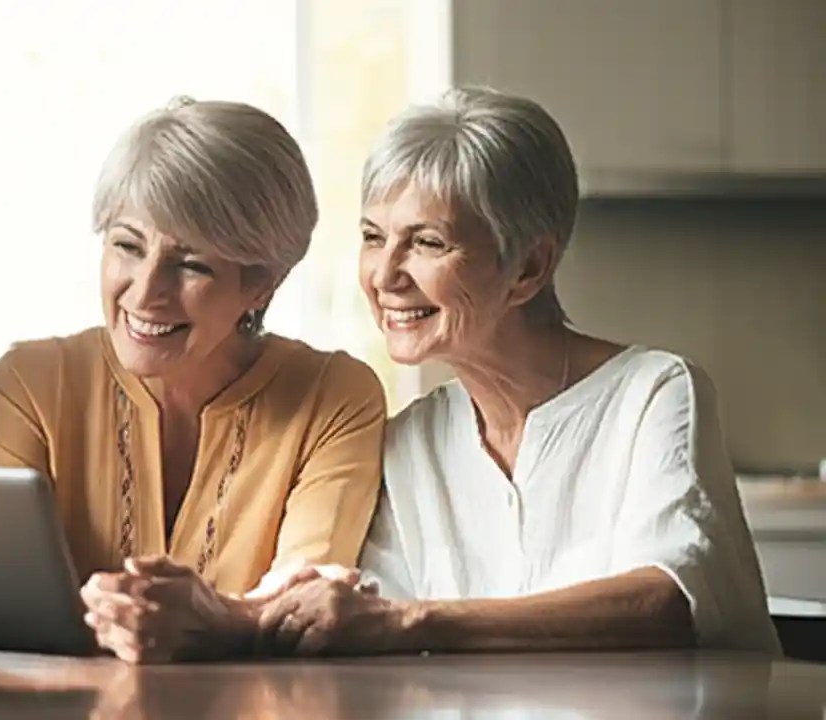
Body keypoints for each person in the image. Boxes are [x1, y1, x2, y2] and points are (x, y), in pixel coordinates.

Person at [258, 87, 781, 656]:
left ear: (528, 267)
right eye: (372, 237)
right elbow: (375, 626)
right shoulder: (411, 440)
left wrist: (415, 622)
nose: (385, 274)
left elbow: (664, 603)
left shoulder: (653, 392)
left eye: (427, 242)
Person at [0, 97, 385, 662]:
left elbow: (303, 609)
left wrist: (224, 619)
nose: (145, 293)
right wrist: (233, 619)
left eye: (191, 265)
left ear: (260, 285)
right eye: (126, 246)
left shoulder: (334, 396)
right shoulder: (32, 382)